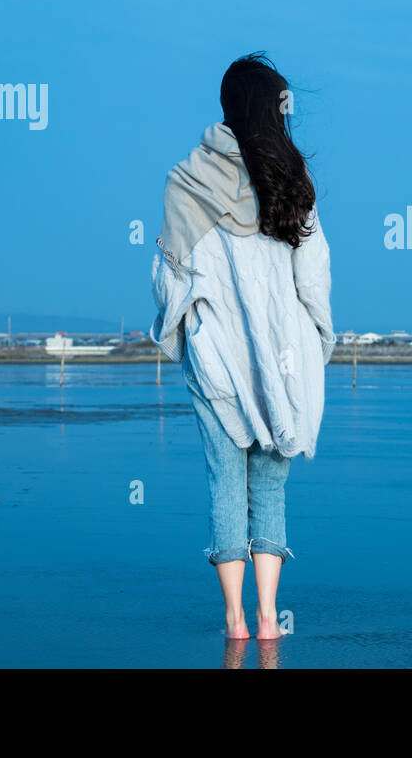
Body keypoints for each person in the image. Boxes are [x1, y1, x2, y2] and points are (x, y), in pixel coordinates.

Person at [151, 53, 334, 640]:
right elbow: (315, 280)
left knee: (225, 485)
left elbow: (170, 277)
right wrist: (317, 342)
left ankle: (232, 622)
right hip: (282, 361)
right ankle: (266, 619)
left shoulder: (187, 182)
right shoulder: (292, 182)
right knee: (270, 488)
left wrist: (181, 331)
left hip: (216, 363)